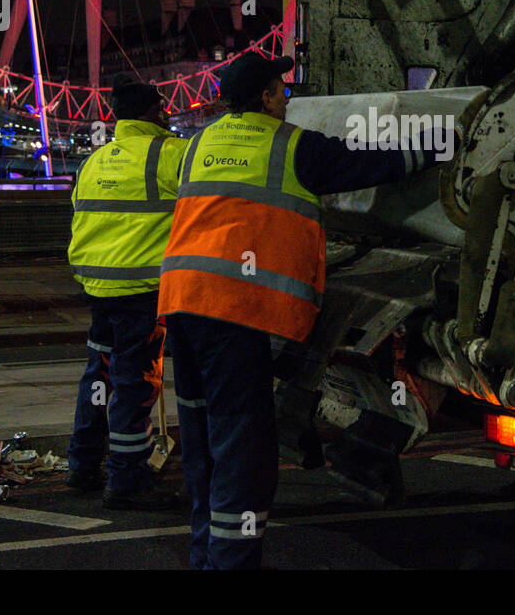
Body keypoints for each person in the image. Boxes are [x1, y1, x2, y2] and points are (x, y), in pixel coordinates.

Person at [158, 53, 455, 569]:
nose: (286, 97)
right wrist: (442, 145)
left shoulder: (199, 144)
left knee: (204, 441)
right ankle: (232, 562)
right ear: (269, 96)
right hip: (233, 315)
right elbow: (371, 162)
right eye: (281, 89)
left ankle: (205, 556)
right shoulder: (290, 146)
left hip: (183, 306)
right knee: (243, 449)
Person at [66, 73, 187, 510]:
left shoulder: (94, 161)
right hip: (142, 289)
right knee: (134, 381)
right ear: (155, 112)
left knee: (97, 374)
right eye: (164, 108)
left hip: (97, 287)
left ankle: (81, 466)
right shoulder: (171, 154)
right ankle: (127, 478)